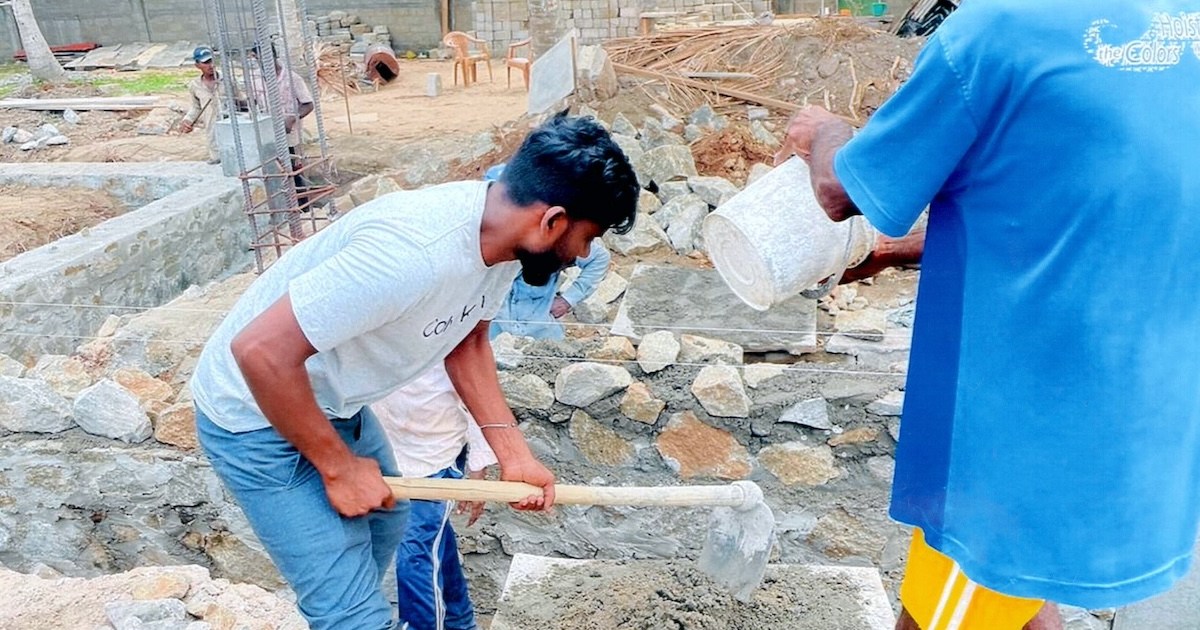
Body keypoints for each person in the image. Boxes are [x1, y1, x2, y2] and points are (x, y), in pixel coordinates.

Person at [775, 2, 1199, 629]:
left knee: (936, 614)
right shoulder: (1180, 20)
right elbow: (1082, 208)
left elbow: (841, 192)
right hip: (1142, 427)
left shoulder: (995, 29)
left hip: (1016, 440)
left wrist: (824, 132)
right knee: (1017, 603)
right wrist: (903, 252)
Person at [189, 112, 640, 629]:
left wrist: (513, 454)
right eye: (587, 238)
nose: (582, 255)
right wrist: (336, 468)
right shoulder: (410, 254)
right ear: (551, 220)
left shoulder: (501, 243)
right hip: (253, 413)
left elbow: (467, 341)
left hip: (333, 399)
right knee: (352, 615)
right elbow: (260, 352)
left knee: (387, 521)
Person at [373, 365, 495, 630]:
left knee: (414, 552)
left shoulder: (446, 333)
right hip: (389, 452)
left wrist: (478, 468)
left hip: (436, 457)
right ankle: (460, 623)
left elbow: (478, 388)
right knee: (431, 542)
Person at [481, 165, 614, 341]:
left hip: (541, 336)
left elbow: (598, 259)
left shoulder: (557, 240)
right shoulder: (481, 243)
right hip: (491, 336)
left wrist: (568, 300)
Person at [180, 45, 222, 163]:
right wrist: (188, 120)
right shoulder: (195, 85)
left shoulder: (226, 80)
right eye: (206, 62)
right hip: (212, 131)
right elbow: (196, 107)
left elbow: (240, 101)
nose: (211, 65)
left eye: (212, 61)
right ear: (197, 65)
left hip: (231, 129)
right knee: (217, 161)